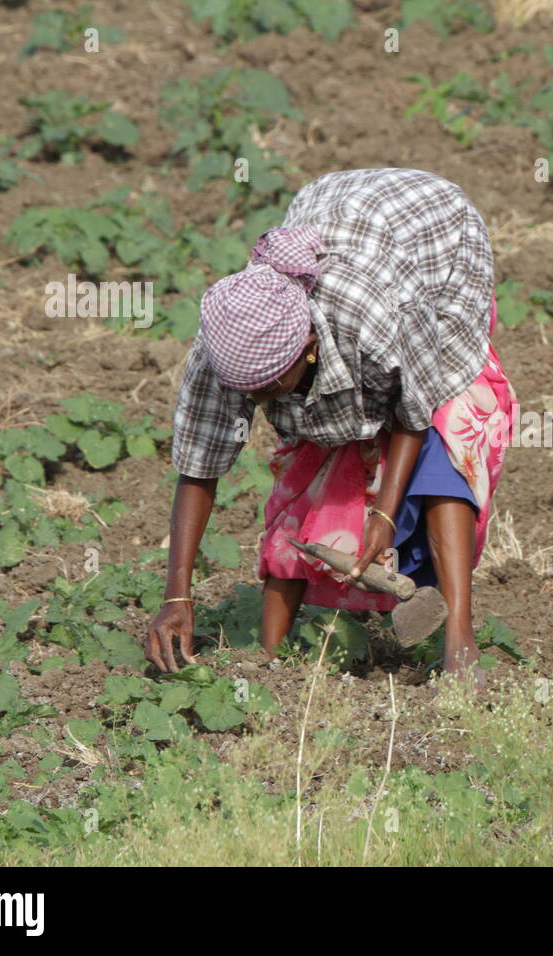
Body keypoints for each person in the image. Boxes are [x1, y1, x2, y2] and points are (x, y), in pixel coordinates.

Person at [146, 168, 515, 683]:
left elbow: (413, 411)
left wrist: (384, 515)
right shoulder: (224, 345)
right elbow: (199, 466)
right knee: (312, 461)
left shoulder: (372, 318)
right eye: (248, 391)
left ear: (310, 347)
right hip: (336, 210)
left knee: (449, 432)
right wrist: (177, 595)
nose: (256, 401)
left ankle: (461, 642)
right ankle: (273, 663)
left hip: (436, 243)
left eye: (271, 387)